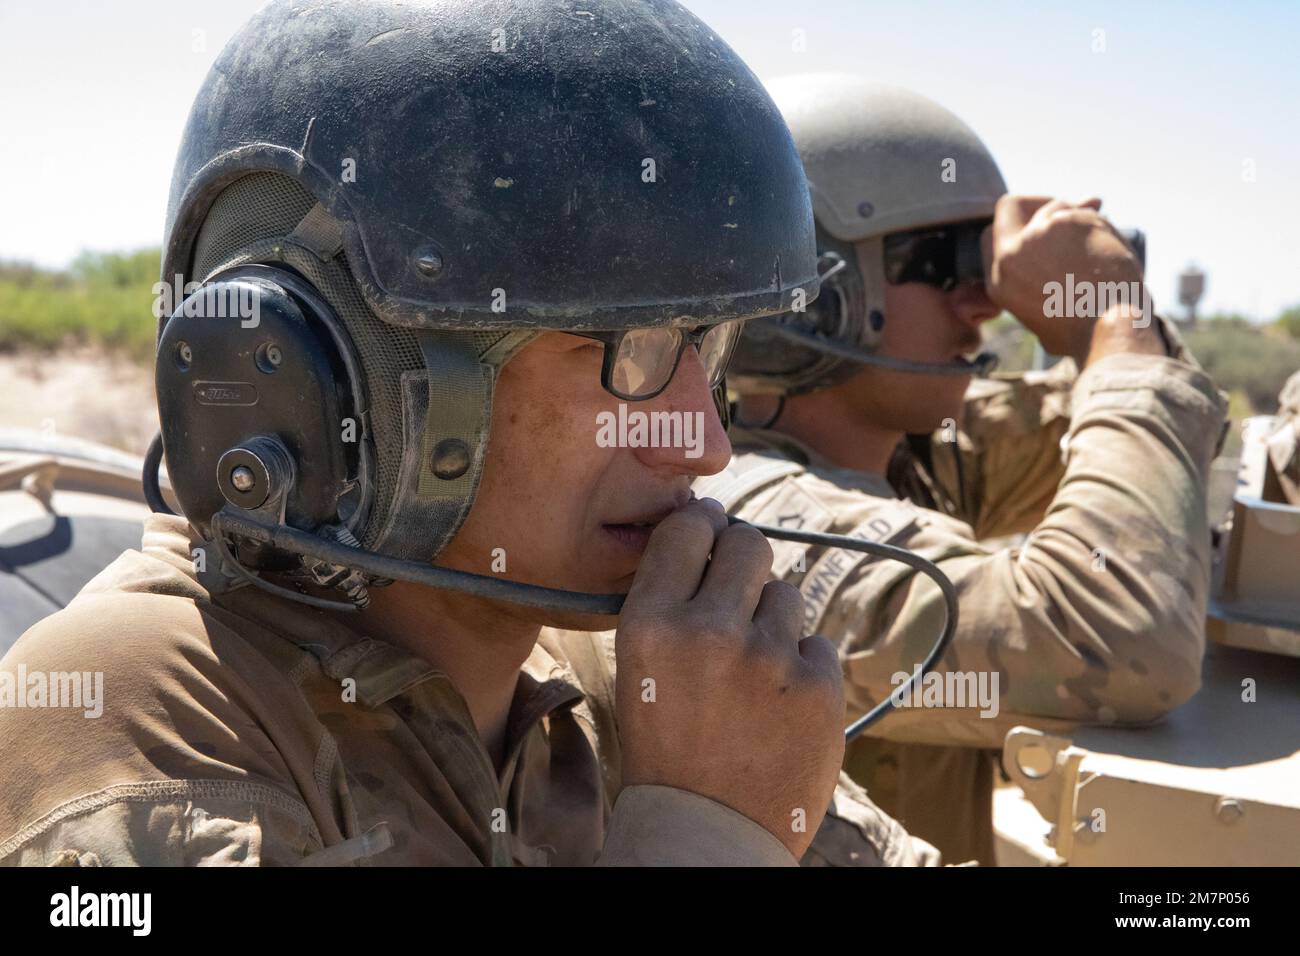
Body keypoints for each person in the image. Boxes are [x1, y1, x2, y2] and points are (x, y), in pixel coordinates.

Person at [0, 5, 935, 867]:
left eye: (709, 349)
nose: (704, 448)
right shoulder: (133, 727)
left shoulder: (611, 665)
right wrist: (703, 828)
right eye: (633, 352)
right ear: (341, 372)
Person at [712, 74, 1229, 863]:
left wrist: (1109, 327)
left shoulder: (919, 456)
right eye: (942, 261)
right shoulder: (749, 528)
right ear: (815, 292)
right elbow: (1120, 644)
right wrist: (1114, 326)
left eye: (984, 264)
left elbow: (1160, 464)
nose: (981, 305)